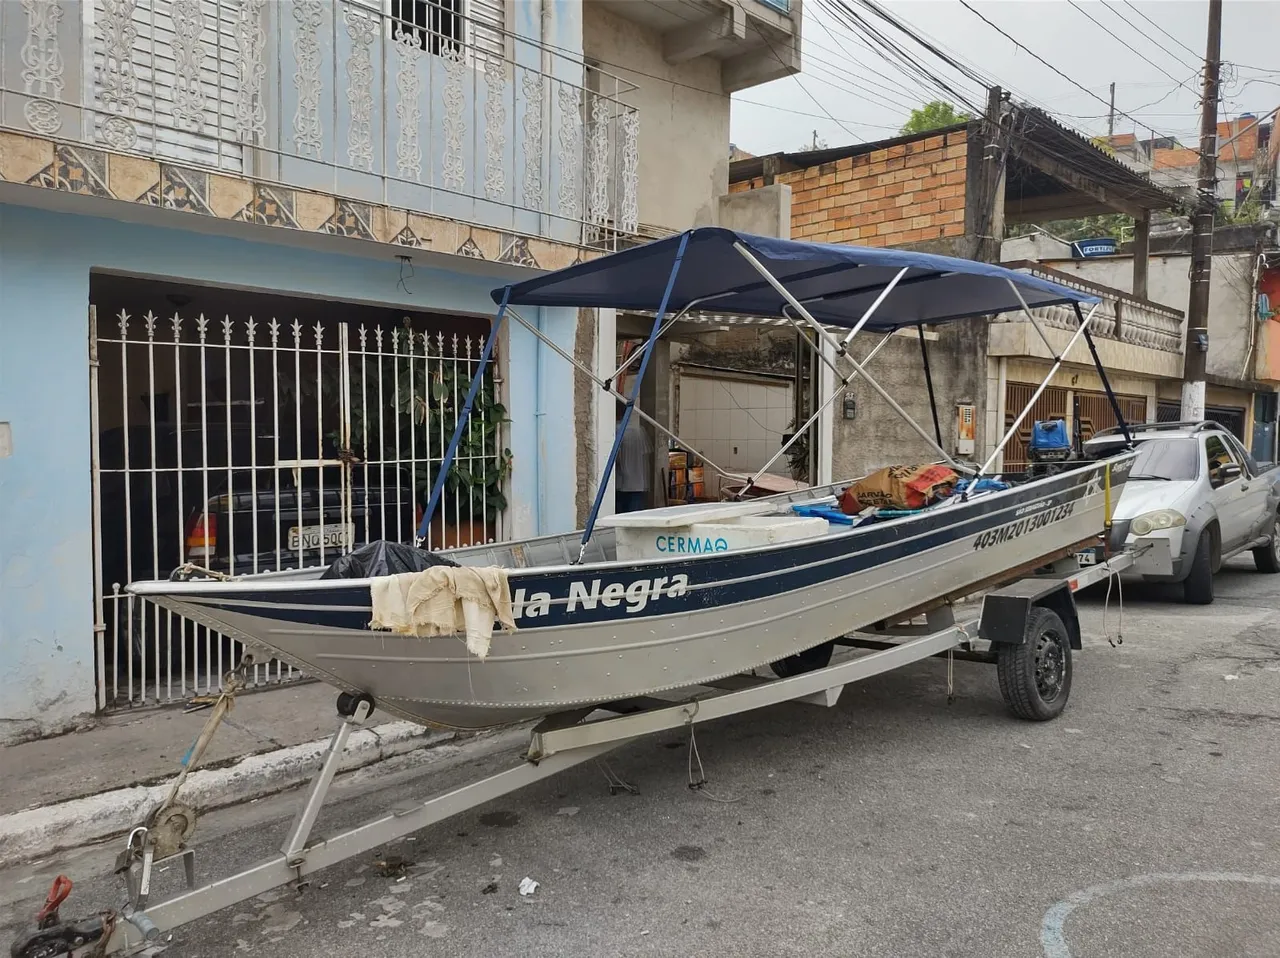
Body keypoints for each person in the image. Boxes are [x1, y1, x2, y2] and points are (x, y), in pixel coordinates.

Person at [614, 405, 652, 513]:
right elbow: (645, 455)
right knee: (635, 519)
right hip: (638, 483)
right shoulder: (639, 430)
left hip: (621, 484)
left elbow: (615, 458)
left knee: (621, 520)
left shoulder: (616, 431)